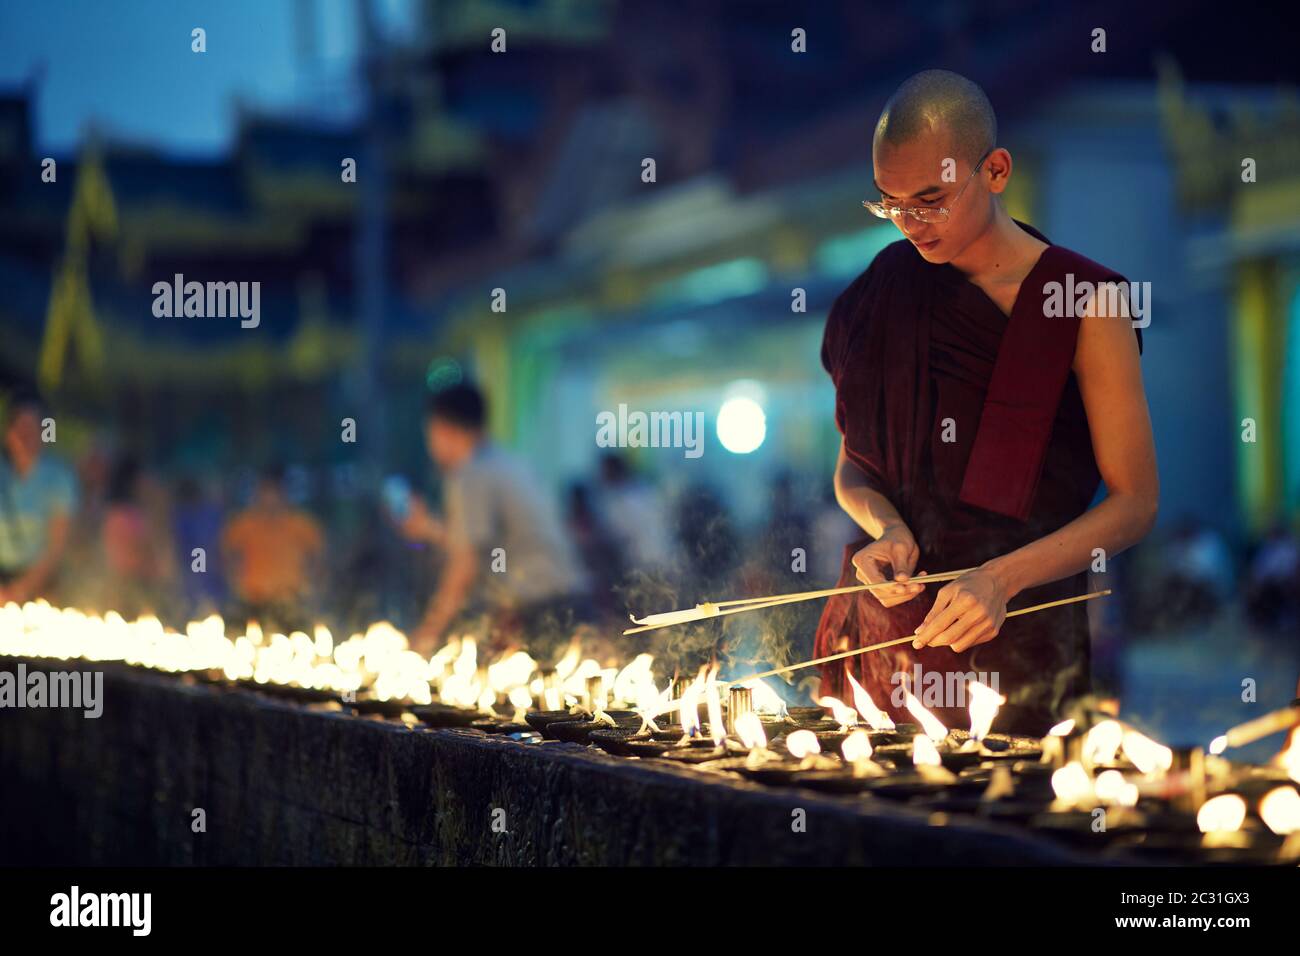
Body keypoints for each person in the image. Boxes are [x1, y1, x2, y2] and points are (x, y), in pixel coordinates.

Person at [815, 70, 1159, 734]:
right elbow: (852, 469)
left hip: (1019, 641)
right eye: (890, 203)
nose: (910, 223)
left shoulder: (1085, 300)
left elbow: (1135, 502)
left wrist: (1002, 579)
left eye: (931, 198)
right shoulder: (882, 291)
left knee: (1001, 823)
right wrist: (885, 528)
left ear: (996, 170)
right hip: (882, 638)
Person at [400, 383, 590, 655]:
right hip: (567, 599)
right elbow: (486, 541)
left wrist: (427, 633)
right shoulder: (503, 461)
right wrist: (430, 529)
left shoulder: (470, 474)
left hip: (540, 607)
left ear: (443, 429)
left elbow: (465, 563)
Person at [221, 464, 324, 632]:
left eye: (274, 492)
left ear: (284, 493)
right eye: (264, 492)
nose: (269, 498)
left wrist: (310, 588)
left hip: (291, 603)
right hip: (253, 602)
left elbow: (318, 560)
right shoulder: (243, 524)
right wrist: (235, 584)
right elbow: (226, 557)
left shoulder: (302, 525)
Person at [0, 389, 77, 605]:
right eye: (19, 426)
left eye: (32, 427)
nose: (24, 435)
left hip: (43, 589)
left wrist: (20, 590)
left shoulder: (59, 477)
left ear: (45, 432)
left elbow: (56, 546)